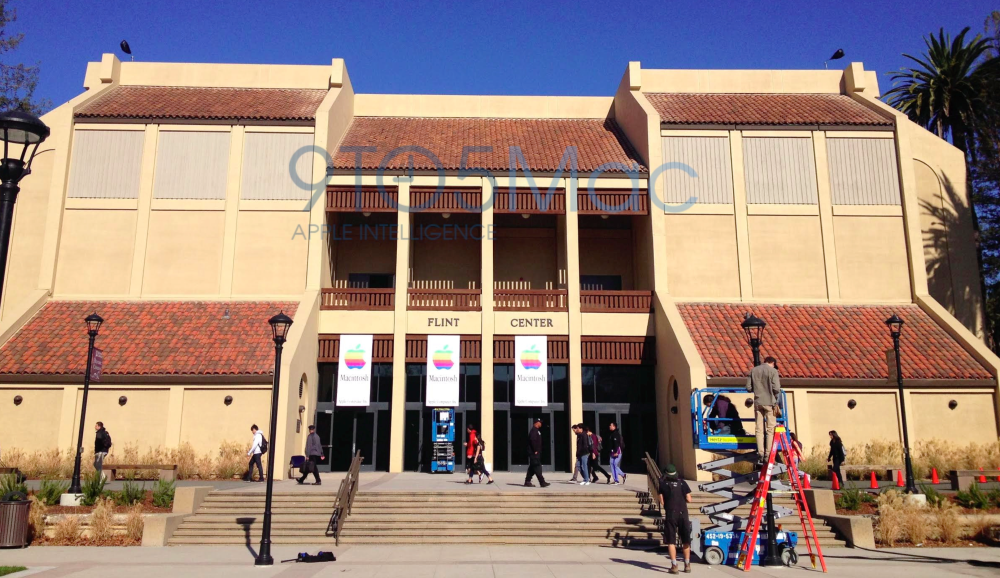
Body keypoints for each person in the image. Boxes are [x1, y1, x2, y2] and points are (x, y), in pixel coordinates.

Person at [746, 355, 782, 462]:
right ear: (773, 363)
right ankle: (768, 454)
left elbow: (748, 388)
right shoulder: (773, 371)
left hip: (758, 402)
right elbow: (776, 388)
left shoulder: (753, 370)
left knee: (759, 429)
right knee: (770, 429)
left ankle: (760, 453)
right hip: (770, 402)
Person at [658, 464, 692, 574]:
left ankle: (674, 565)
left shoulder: (663, 484)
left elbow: (661, 501)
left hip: (670, 513)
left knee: (671, 541)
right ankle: (687, 565)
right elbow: (689, 499)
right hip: (683, 513)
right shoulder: (682, 483)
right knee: (686, 540)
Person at [524, 418, 550, 487]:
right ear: (536, 423)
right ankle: (542, 482)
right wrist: (535, 450)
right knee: (537, 467)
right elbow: (533, 440)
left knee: (532, 468)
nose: (541, 423)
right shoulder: (533, 431)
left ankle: (527, 481)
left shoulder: (537, 431)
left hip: (536, 453)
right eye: (540, 422)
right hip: (534, 453)